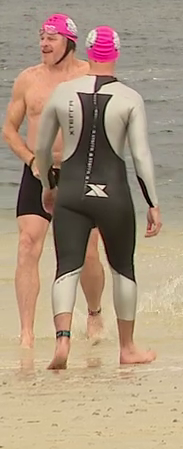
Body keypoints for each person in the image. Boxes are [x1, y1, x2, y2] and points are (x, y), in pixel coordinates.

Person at [33, 26, 162, 369]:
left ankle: (62, 342)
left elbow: (43, 149)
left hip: (71, 193)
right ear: (116, 54)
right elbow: (141, 157)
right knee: (123, 269)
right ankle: (128, 348)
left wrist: (48, 185)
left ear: (88, 54)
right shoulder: (130, 98)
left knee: (66, 269)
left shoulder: (62, 93)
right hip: (113, 195)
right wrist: (152, 203)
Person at [4, 14, 107, 348]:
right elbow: (9, 128)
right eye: (41, 37)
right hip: (37, 172)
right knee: (27, 245)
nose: (44, 44)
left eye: (52, 37)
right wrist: (31, 159)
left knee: (88, 253)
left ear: (70, 42)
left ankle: (93, 311)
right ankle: (27, 334)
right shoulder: (28, 79)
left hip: (80, 172)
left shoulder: (90, 75)